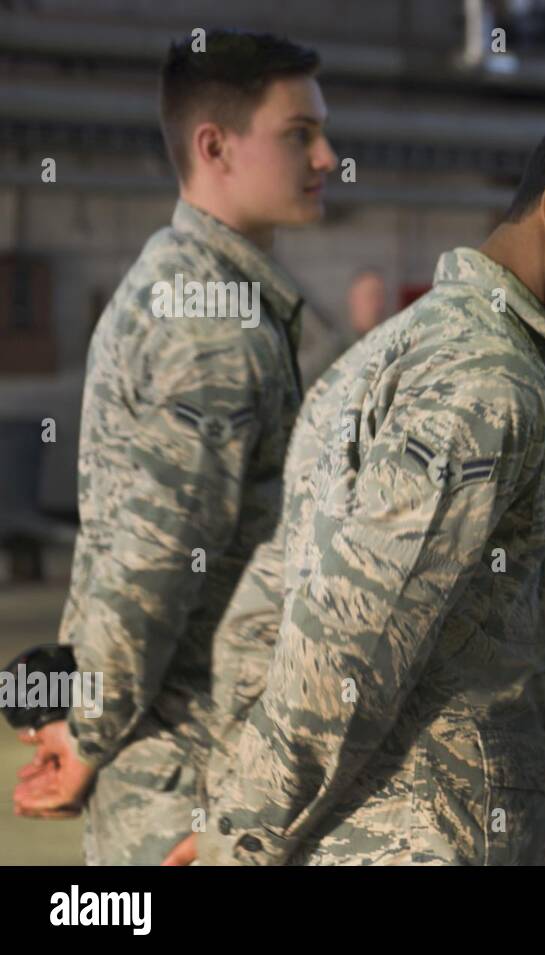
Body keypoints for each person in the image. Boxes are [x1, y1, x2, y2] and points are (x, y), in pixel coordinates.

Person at [181, 115, 545, 865]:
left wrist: (236, 806)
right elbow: (352, 640)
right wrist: (241, 835)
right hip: (430, 836)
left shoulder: (389, 347)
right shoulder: (491, 381)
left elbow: (268, 603)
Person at [11, 30, 336, 865]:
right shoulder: (209, 324)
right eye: (300, 133)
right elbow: (158, 555)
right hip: (192, 765)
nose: (329, 156)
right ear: (214, 146)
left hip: (180, 746)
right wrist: (86, 733)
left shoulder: (197, 286)